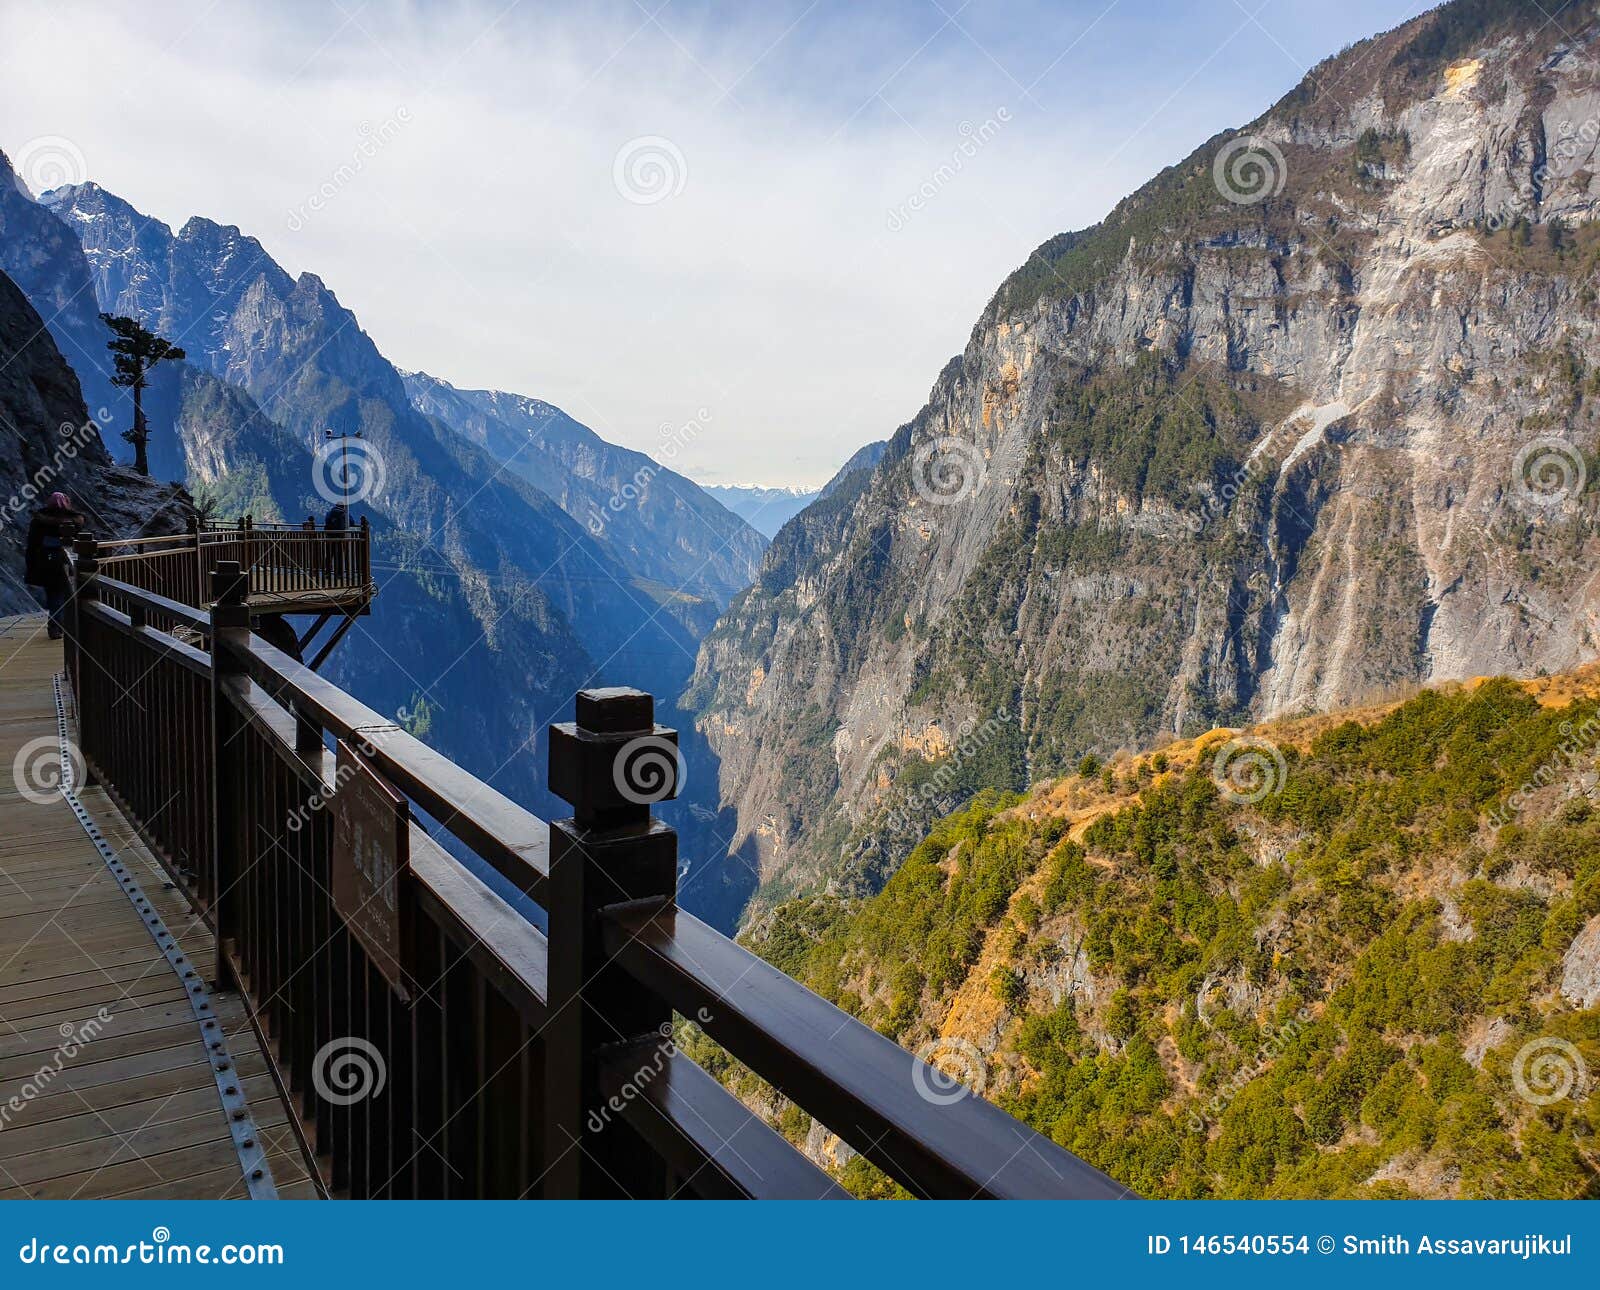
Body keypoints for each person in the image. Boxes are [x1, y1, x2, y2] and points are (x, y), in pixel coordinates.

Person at [25, 492, 84, 640]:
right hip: (66, 561)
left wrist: (31, 565)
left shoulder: (39, 521)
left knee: (53, 594)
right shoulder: (74, 520)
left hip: (45, 561)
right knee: (63, 594)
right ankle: (61, 626)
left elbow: (32, 544)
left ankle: (56, 626)